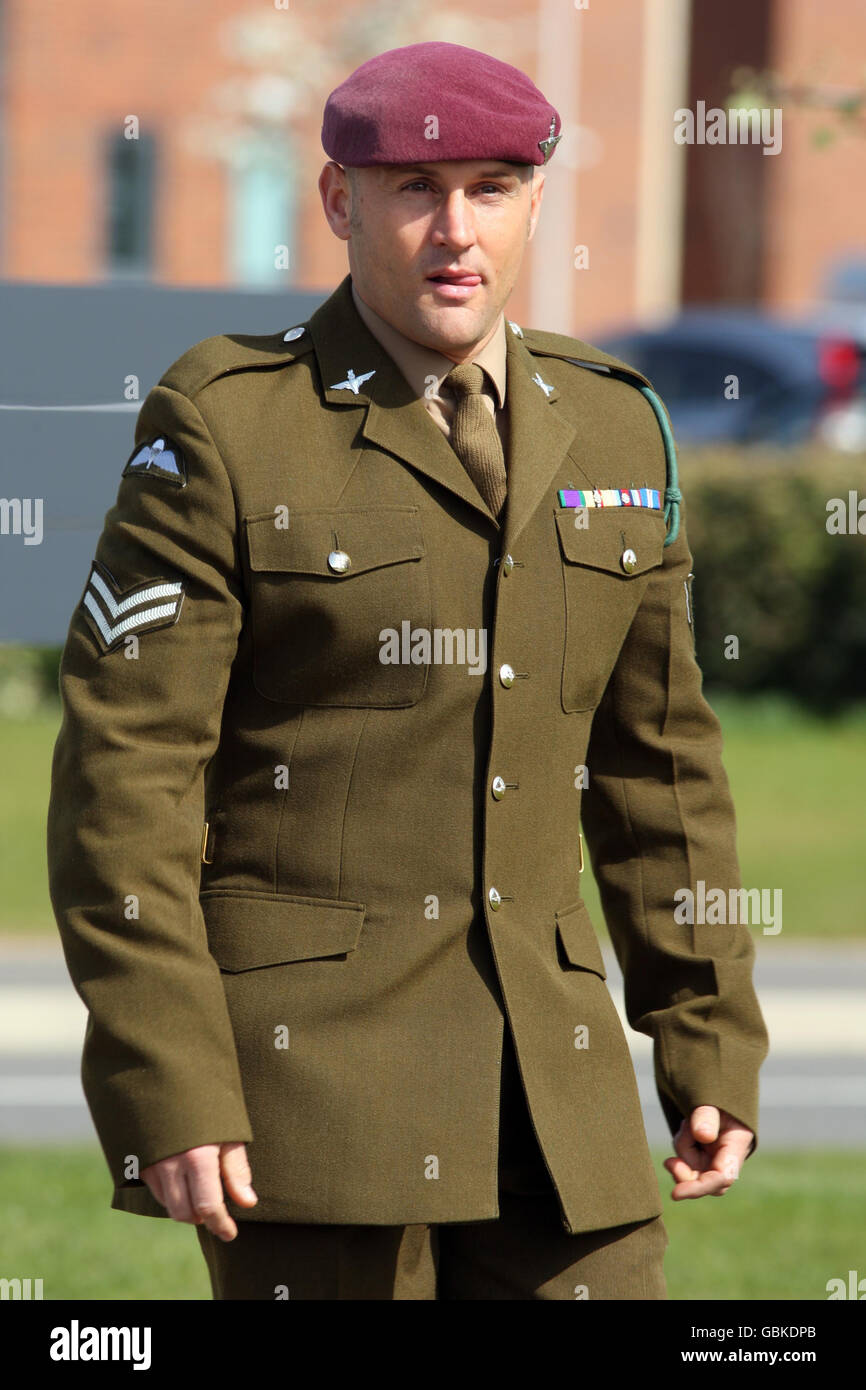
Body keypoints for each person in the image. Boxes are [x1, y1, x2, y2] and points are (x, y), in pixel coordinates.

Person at [46, 40, 769, 1301]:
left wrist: (704, 1035)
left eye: (490, 187)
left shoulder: (615, 421)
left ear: (537, 200)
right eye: (412, 190)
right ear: (338, 202)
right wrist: (172, 1077)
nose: (455, 231)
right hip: (307, 1116)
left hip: (558, 1112)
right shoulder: (227, 419)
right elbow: (128, 785)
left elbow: (662, 775)